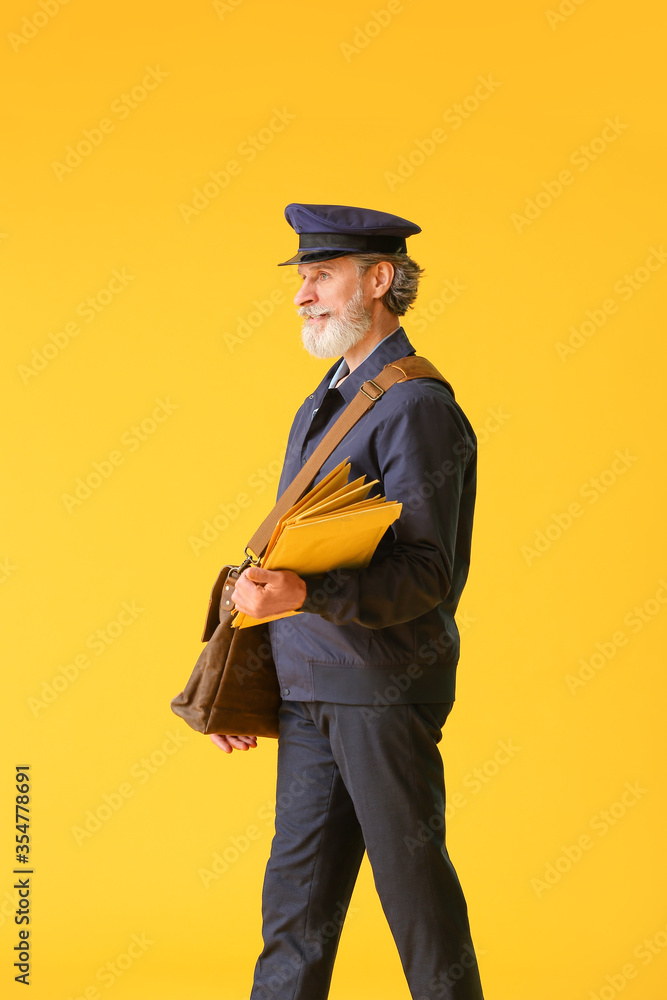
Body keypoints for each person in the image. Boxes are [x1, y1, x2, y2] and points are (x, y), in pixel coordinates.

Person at [210, 203, 485, 1000]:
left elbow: (429, 572)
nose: (302, 294)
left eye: (320, 275)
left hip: (380, 690)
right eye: (301, 277)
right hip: (310, 686)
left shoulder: (416, 407)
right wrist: (246, 675)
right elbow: (300, 553)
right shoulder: (322, 400)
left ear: (378, 280)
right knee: (293, 913)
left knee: (415, 902)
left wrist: (305, 591)